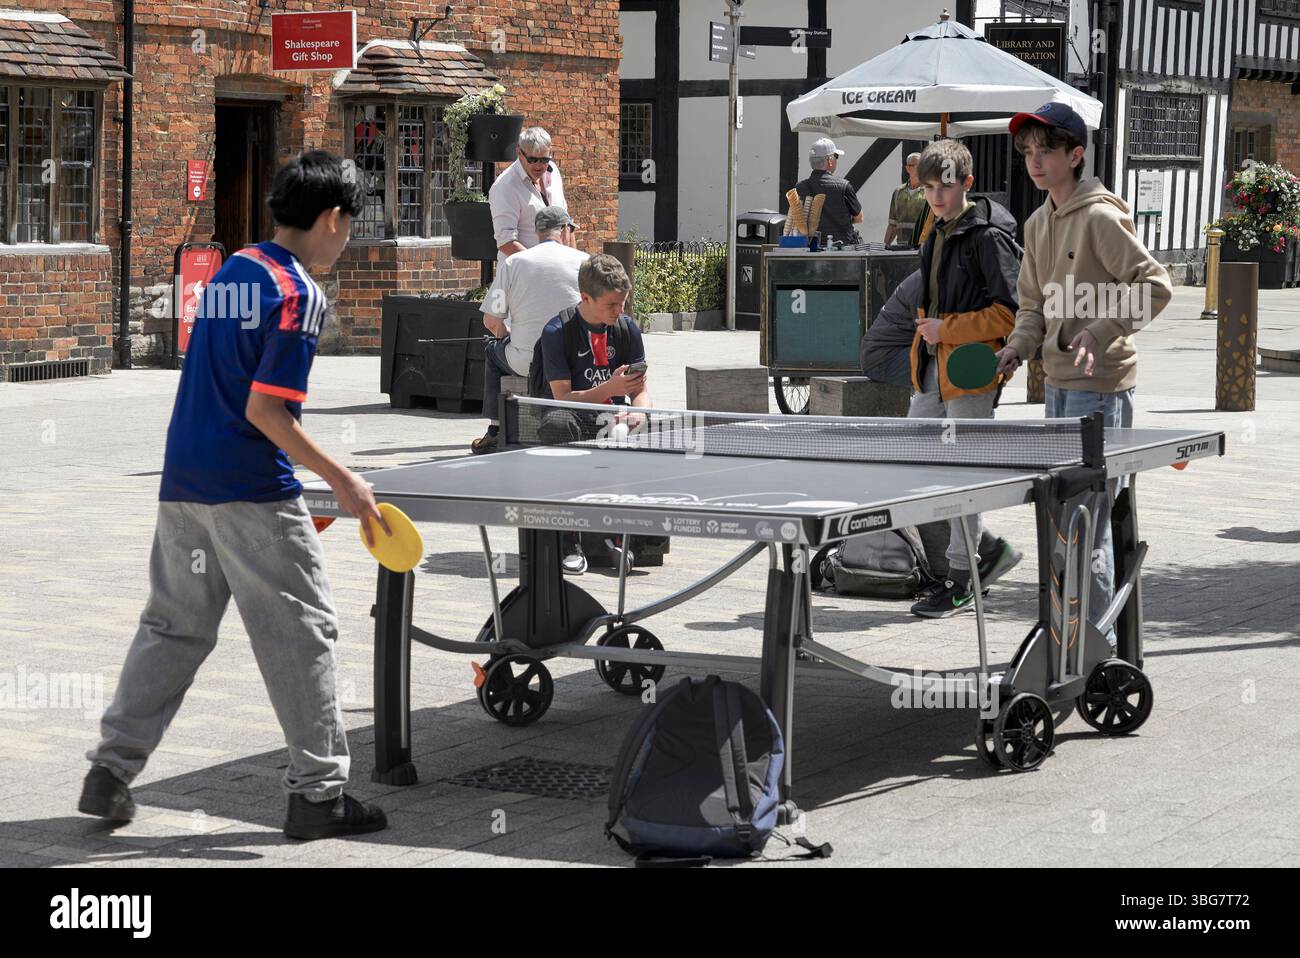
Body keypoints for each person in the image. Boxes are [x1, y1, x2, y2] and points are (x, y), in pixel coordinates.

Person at [79, 151, 389, 840]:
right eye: (350, 226)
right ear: (333, 218)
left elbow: (222, 388)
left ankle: (110, 769)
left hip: (185, 480)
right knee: (301, 634)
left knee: (172, 628)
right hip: (252, 489)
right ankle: (318, 796)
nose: (347, 240)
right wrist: (342, 479)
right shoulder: (299, 292)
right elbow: (265, 411)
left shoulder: (233, 271)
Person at [995, 102, 1172, 648]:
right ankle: (1069, 637)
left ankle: (1096, 648)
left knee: (1088, 527)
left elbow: (1155, 285)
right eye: (1028, 152)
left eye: (1046, 150)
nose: (1035, 161)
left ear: (1075, 154)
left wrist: (1099, 330)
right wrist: (1018, 347)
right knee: (1062, 525)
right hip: (1057, 389)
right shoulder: (1036, 222)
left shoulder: (1100, 217)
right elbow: (1032, 305)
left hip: (1101, 394)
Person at [907, 138, 1024, 618]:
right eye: (929, 188)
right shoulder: (934, 229)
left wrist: (945, 329)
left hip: (973, 370)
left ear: (967, 184)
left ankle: (963, 577)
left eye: (945, 187)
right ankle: (989, 549)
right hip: (934, 366)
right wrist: (925, 336)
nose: (936, 196)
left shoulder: (987, 236)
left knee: (961, 473)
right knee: (915, 460)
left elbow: (1012, 314)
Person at [539, 254, 649, 574]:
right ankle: (569, 538)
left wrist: (638, 413)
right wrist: (610, 387)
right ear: (586, 298)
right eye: (611, 305)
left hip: (613, 418)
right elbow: (562, 397)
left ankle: (623, 535)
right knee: (557, 426)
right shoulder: (557, 330)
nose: (620, 312)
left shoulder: (627, 328)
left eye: (623, 304)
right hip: (572, 414)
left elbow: (640, 391)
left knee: (657, 430)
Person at [471, 206, 588, 454]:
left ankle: (495, 428)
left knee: (492, 351)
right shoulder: (585, 262)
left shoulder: (514, 263)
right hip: (575, 360)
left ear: (538, 233)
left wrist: (508, 335)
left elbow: (492, 321)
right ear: (566, 230)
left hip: (525, 360)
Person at [489, 126, 567, 264]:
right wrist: (540, 266)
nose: (539, 166)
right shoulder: (505, 186)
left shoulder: (553, 171)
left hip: (557, 271)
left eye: (544, 159)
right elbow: (506, 242)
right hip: (523, 276)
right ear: (519, 153)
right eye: (532, 160)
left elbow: (566, 224)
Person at [794, 137, 863, 246]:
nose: (837, 160)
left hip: (811, 249)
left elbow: (797, 220)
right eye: (836, 156)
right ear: (830, 161)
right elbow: (859, 218)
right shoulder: (844, 186)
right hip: (841, 249)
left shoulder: (799, 188)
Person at [884, 151, 927, 247]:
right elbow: (893, 224)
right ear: (907, 168)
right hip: (902, 246)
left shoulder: (930, 192)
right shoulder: (898, 192)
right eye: (916, 165)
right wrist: (885, 246)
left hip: (922, 247)